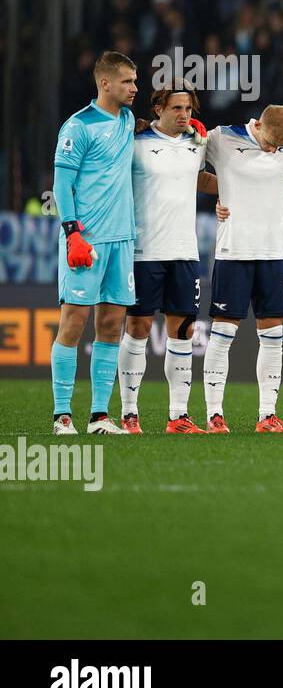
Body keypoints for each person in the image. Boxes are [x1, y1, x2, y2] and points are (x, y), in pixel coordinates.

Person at [116, 83, 218, 434]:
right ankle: (129, 413)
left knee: (184, 333)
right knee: (138, 328)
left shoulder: (196, 143)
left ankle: (179, 416)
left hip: (185, 252)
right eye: (176, 108)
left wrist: (236, 188)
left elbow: (200, 179)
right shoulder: (135, 142)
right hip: (144, 252)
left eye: (188, 108)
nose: (184, 114)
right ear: (157, 109)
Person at [202, 104, 283, 432]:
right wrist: (219, 195)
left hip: (273, 252)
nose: (272, 150)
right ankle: (214, 415)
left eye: (279, 147)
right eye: (268, 144)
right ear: (258, 124)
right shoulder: (221, 138)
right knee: (223, 334)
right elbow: (184, 165)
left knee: (274, 335)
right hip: (234, 250)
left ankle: (267, 415)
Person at [51, 51, 139, 435]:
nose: (134, 88)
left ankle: (100, 416)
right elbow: (61, 184)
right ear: (105, 83)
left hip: (122, 238)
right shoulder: (78, 126)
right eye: (127, 82)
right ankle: (62, 415)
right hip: (86, 240)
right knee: (73, 321)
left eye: (135, 81)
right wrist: (72, 233)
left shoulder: (129, 119)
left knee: (111, 324)